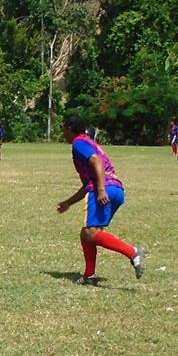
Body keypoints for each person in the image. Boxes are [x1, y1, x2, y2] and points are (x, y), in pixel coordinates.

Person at [57, 114, 144, 285]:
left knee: (91, 233)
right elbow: (87, 184)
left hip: (105, 189)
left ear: (69, 129)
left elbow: (97, 162)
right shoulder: (89, 142)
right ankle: (89, 275)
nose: (63, 133)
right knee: (86, 234)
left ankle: (133, 252)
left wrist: (102, 190)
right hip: (116, 189)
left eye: (63, 129)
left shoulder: (79, 143)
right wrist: (68, 202)